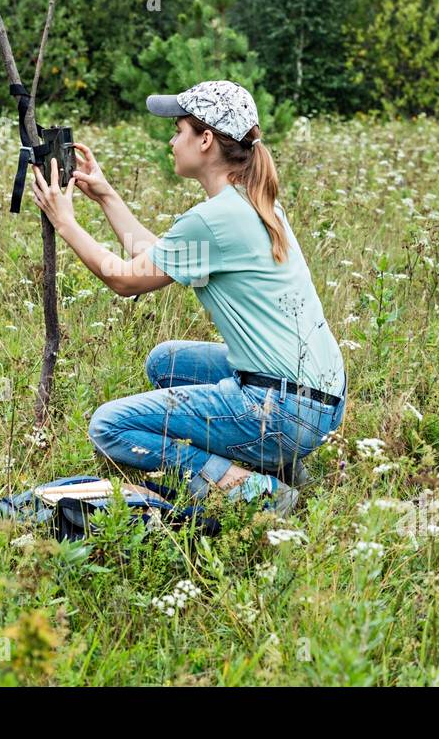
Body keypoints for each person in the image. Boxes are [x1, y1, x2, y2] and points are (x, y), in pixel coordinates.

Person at [28, 80, 346, 515]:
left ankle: (257, 492)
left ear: (206, 140)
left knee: (110, 426)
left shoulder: (214, 220)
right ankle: (285, 465)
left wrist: (65, 223)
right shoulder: (252, 204)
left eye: (178, 130)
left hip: (280, 410)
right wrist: (106, 196)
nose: (172, 141)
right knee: (166, 362)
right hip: (320, 401)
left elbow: (124, 279)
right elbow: (153, 257)